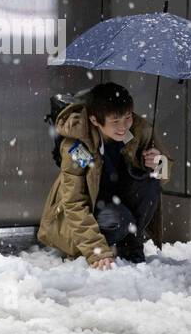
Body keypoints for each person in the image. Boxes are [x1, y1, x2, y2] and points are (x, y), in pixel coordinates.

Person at [37, 82, 167, 269]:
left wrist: (158, 163)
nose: (124, 126)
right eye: (115, 121)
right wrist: (96, 250)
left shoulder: (138, 131)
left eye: (128, 117)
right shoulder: (77, 145)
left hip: (119, 200)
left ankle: (130, 243)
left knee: (151, 183)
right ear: (95, 120)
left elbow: (163, 175)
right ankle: (95, 244)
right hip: (93, 206)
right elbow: (74, 202)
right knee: (120, 220)